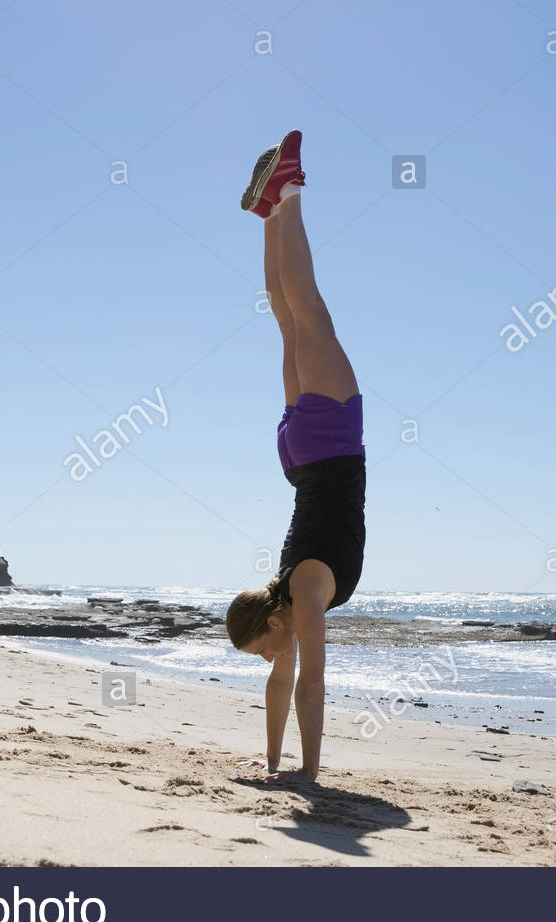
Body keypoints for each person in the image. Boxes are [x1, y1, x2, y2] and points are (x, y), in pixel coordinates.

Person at [226, 130, 367, 785]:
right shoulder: (288, 589)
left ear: (273, 623)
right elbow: (284, 685)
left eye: (262, 649)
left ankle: (291, 192)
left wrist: (307, 775)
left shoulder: (305, 596)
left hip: (330, 442)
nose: (267, 661)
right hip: (298, 454)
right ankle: (269, 211)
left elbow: (308, 685)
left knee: (307, 310)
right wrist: (275, 764)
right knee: (287, 319)